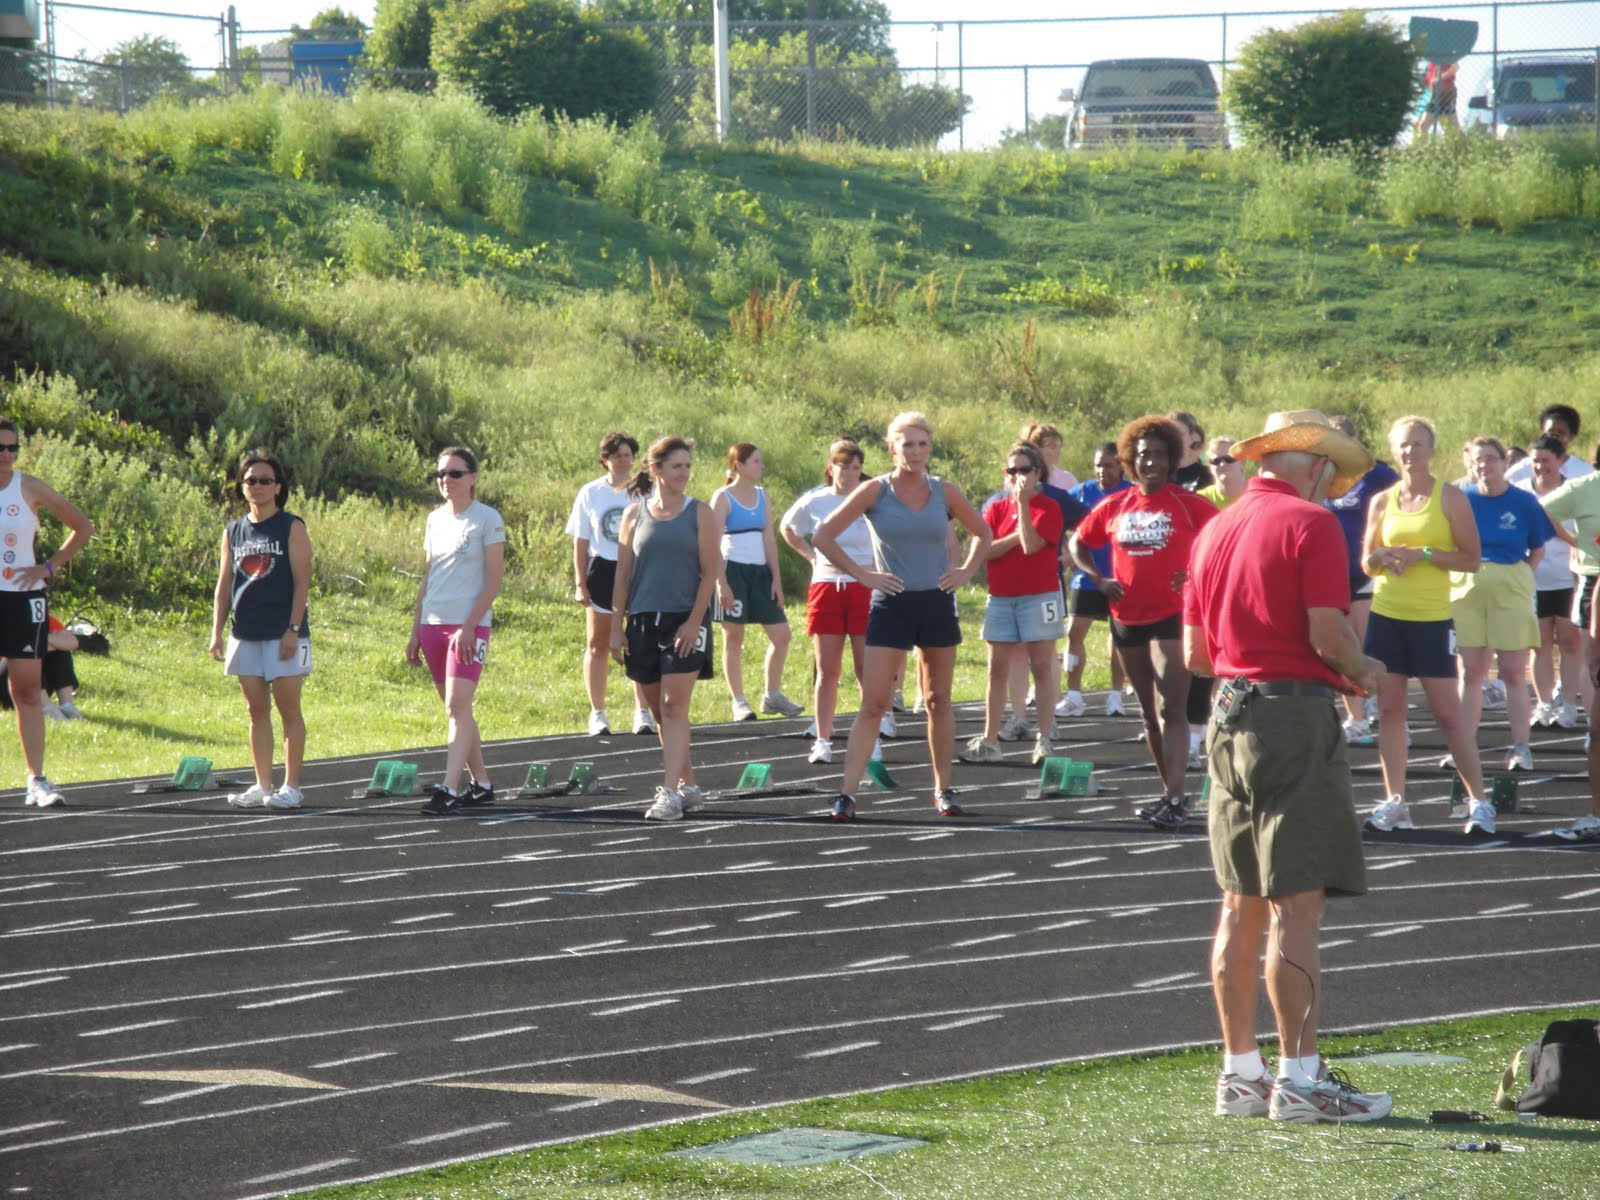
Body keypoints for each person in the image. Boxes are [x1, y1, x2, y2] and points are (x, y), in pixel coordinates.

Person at [1185, 408, 1393, 1124]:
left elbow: (1194, 655)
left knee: (1237, 903)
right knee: (1297, 906)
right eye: (1331, 471)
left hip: (1227, 715)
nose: (1335, 485)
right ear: (1307, 462)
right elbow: (1326, 632)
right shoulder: (1311, 527)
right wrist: (1361, 669)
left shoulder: (1214, 527)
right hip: (1292, 715)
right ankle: (1301, 1079)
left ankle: (1240, 1072)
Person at [813, 411, 990, 821]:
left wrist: (963, 572)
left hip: (935, 602)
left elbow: (983, 532)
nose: (914, 451)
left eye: (921, 444)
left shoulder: (944, 491)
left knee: (938, 701)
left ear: (930, 447)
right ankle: (846, 794)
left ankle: (944, 789)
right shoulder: (875, 491)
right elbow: (823, 535)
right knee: (874, 703)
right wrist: (863, 574)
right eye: (906, 444)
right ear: (892, 448)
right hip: (890, 603)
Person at [1069, 416, 1218, 829]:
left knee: (1173, 705)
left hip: (1173, 616)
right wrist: (1098, 579)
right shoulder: (1116, 505)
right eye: (1142, 455)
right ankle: (1168, 791)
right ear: (1130, 461)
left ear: (1171, 460)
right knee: (1149, 714)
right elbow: (1078, 541)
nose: (1149, 461)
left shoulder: (1189, 504)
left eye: (1157, 455)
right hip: (1126, 617)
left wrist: (1194, 575)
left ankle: (1175, 797)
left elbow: (1225, 540)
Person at [1360, 417, 1488, 835]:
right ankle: (1395, 801)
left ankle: (1479, 801)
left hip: (1432, 619)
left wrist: (1424, 554)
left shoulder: (1450, 498)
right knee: (1391, 711)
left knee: (1448, 715)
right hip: (1387, 616)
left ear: (1432, 450)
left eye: (1417, 444)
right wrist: (1384, 557)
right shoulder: (1382, 500)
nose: (1409, 452)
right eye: (1402, 445)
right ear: (1393, 451)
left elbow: (1471, 558)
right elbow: (1366, 562)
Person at [610, 435, 720, 821]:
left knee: (675, 707)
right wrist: (614, 625)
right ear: (655, 469)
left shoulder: (700, 513)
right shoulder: (633, 514)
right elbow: (623, 574)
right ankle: (689, 786)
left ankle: (669, 794)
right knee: (660, 712)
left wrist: (694, 622)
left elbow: (710, 572)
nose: (685, 473)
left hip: (684, 620)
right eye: (677, 466)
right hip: (641, 619)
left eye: (688, 466)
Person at [210, 450, 313, 811]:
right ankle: (262, 784)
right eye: (250, 480)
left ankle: (292, 787)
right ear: (242, 486)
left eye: (265, 480)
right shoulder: (233, 531)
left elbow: (302, 582)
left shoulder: (291, 526)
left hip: (283, 632)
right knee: (256, 711)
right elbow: (224, 585)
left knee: (289, 711)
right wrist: (216, 632)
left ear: (278, 487)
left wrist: (293, 629)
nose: (257, 486)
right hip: (245, 632)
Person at [0, 419, 94, 808]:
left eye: (12, 448)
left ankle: (36, 780)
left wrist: (48, 566)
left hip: (24, 599)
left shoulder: (28, 486)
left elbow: (82, 526)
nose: (6, 455)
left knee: (25, 691)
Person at [407, 447, 505, 816]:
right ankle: (481, 784)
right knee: (456, 712)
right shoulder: (434, 519)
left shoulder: (487, 519)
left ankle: (448, 787)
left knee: (456, 706)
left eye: (455, 474)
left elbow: (493, 583)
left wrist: (469, 626)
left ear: (473, 478)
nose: (446, 481)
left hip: (469, 626)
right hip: (433, 623)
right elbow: (428, 575)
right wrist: (416, 628)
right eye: (441, 474)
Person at [779, 437, 890, 765]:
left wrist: (873, 568)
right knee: (828, 671)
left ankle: (872, 739)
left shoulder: (871, 500)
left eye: (856, 468)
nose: (851, 473)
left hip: (863, 586)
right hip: (827, 586)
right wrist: (810, 556)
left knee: (864, 667)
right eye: (844, 467)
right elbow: (788, 527)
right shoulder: (816, 500)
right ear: (831, 469)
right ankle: (823, 740)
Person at [1453, 437, 1556, 773]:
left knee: (1512, 672)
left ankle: (1521, 747)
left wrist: (1518, 576)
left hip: (1510, 589)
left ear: (1504, 462)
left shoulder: (1524, 502)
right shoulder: (1461, 500)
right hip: (1467, 592)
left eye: (1491, 459)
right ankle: (1463, 747)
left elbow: (1537, 548)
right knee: (1471, 673)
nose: (1484, 466)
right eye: (1477, 460)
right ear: (1469, 465)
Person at [960, 441, 1066, 766]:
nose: (1017, 476)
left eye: (1023, 470)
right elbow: (983, 551)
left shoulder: (1049, 507)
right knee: (996, 669)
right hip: (1002, 597)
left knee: (1043, 666)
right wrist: (1009, 539)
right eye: (1012, 470)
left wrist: (1021, 509)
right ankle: (990, 739)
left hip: (1040, 595)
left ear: (1037, 473)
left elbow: (1033, 545)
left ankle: (1044, 739)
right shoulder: (994, 509)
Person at [567, 431, 656, 738]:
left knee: (639, 642)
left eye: (629, 454)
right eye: (617, 455)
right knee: (598, 643)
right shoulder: (590, 493)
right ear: (604, 460)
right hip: (602, 569)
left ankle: (643, 712)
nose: (623, 459)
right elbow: (581, 540)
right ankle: (598, 713)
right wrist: (580, 581)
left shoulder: (646, 489)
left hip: (638, 569)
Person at [712, 443, 804, 722]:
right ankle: (739, 701)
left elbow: (768, 539)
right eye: (755, 461)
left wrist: (776, 578)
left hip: (760, 573)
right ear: (738, 465)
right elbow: (712, 543)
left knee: (782, 635)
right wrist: (721, 583)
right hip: (733, 572)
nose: (761, 466)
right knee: (734, 637)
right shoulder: (723, 497)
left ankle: (772, 694)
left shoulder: (763, 497)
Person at [1325, 416, 1400, 745]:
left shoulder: (1377, 474)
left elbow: (1407, 498)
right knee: (1341, 647)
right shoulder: (1322, 473)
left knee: (1368, 645)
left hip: (1365, 570)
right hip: (1330, 572)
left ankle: (1386, 712)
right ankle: (1355, 718)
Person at [1062, 443, 1132, 718]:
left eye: (1109, 465)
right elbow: (1058, 515)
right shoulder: (1081, 492)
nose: (1103, 470)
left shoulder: (1130, 493)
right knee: (1073, 632)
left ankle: (1115, 695)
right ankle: (1073, 695)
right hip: (1088, 576)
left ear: (1121, 467)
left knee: (1118, 636)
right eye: (1099, 465)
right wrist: (1063, 550)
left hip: (1119, 577)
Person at [1520, 435, 1584, 729]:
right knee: (1540, 644)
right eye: (1535, 461)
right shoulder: (1520, 493)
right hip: (1532, 579)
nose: (1540, 467)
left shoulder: (1575, 491)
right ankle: (1544, 704)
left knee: (1570, 642)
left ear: (1561, 461)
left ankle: (1569, 705)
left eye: (1546, 460)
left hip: (1568, 575)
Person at [1021, 421, 1079, 491]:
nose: (1058, 451)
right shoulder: (1019, 476)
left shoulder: (1067, 479)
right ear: (1037, 448)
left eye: (1059, 447)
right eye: (1053, 447)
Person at [1196, 437, 1247, 509]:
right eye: (1216, 461)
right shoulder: (1201, 499)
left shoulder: (1257, 495)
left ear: (1242, 462)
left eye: (1229, 459)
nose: (1222, 464)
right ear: (1210, 467)